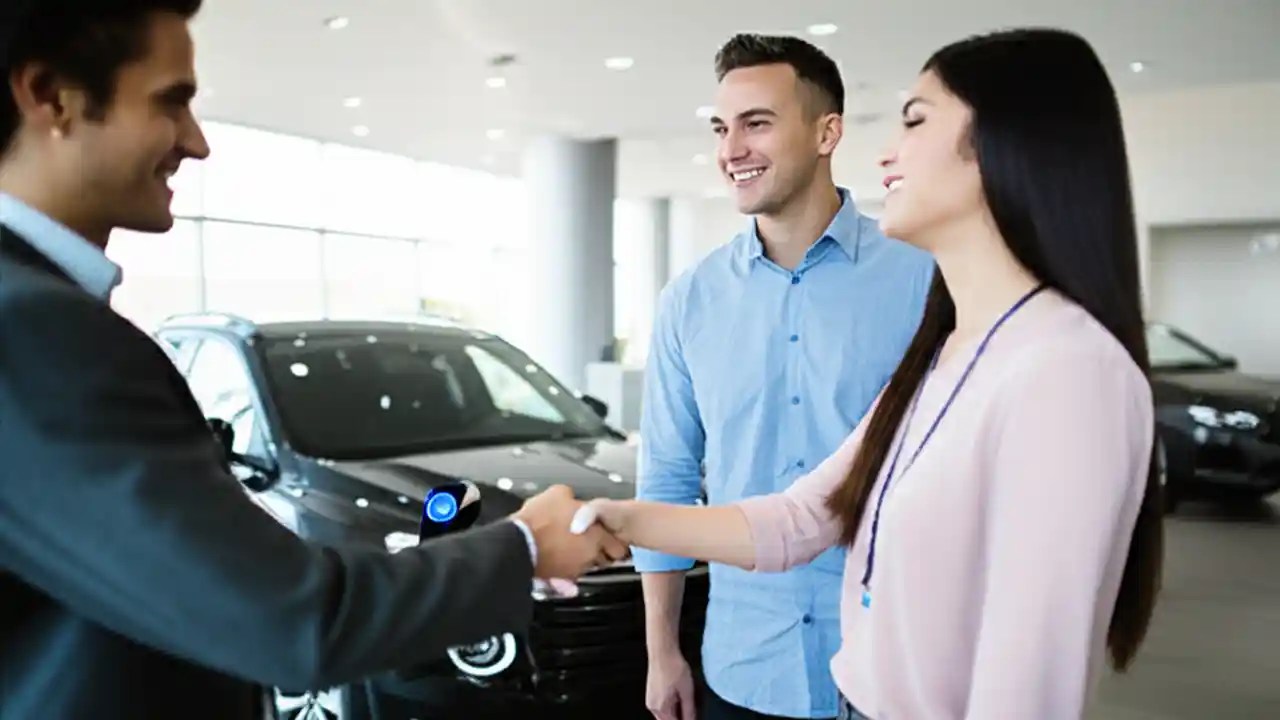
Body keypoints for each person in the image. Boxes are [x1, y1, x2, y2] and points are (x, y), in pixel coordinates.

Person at [0, 2, 626, 718]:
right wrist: (523, 545)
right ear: (51, 96)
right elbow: (295, 621)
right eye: (171, 103)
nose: (196, 143)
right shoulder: (36, 330)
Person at [583, 28, 1164, 720]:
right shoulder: (949, 355)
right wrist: (618, 520)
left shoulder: (1067, 371)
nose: (887, 153)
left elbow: (1024, 686)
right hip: (761, 665)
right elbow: (802, 517)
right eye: (721, 128)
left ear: (1003, 147)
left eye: (916, 120)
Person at [635, 34, 933, 720]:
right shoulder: (691, 300)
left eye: (757, 123)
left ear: (826, 132)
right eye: (722, 128)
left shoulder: (924, 276)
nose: (731, 149)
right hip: (745, 666)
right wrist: (662, 650)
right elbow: (669, 479)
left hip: (895, 665)